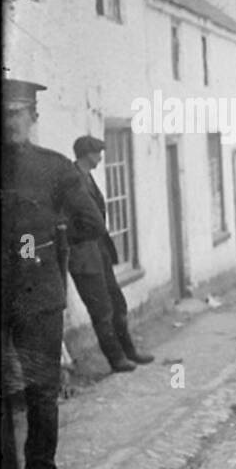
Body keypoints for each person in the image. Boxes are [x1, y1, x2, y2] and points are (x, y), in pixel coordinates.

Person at [2, 79, 108, 469]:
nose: (9, 121)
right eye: (3, 113)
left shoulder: (54, 168)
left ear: (33, 117)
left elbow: (91, 223)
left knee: (41, 387)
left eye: (16, 114)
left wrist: (49, 240)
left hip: (39, 294)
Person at [67, 135, 153, 372]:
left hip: (99, 250)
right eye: (98, 152)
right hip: (83, 256)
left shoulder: (87, 177)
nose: (101, 157)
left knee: (117, 302)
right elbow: (67, 220)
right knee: (101, 309)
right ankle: (116, 359)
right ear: (87, 154)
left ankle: (129, 351)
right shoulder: (72, 181)